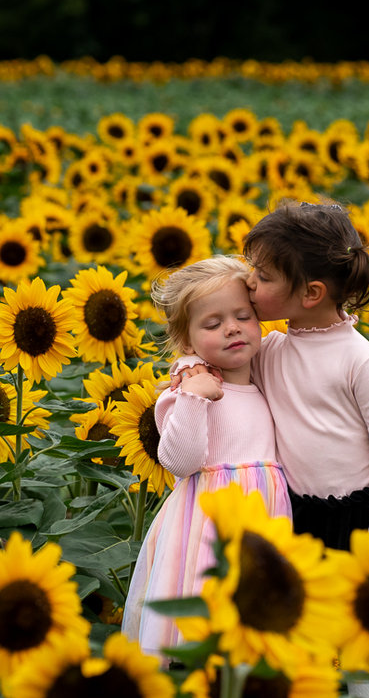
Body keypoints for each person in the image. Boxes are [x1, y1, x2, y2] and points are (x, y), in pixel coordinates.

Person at [177, 199, 369, 549]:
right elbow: (215, 359)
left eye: (264, 276)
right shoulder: (269, 350)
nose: (250, 281)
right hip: (293, 514)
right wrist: (187, 367)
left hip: (360, 522)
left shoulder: (361, 360)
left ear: (311, 293)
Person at [121, 256, 290, 657]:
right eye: (212, 324)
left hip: (265, 520)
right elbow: (178, 461)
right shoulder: (184, 393)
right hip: (205, 526)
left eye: (243, 316)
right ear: (187, 341)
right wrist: (194, 398)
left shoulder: (265, 378)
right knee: (200, 624)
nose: (231, 328)